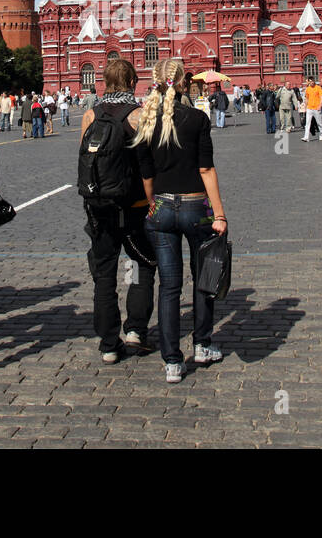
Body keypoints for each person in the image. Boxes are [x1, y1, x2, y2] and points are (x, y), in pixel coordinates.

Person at [132, 58, 229, 383]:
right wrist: (219, 213)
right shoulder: (198, 119)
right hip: (194, 208)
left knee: (169, 286)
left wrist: (151, 204)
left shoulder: (146, 121)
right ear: (184, 83)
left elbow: (146, 174)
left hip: (160, 209)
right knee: (204, 279)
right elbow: (206, 170)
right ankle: (202, 345)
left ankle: (172, 362)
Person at [78, 58, 158, 363]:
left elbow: (85, 162)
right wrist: (153, 201)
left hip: (99, 208)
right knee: (141, 264)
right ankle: (136, 330)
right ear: (133, 82)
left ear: (104, 83)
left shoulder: (90, 115)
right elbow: (149, 165)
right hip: (135, 205)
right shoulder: (139, 115)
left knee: (104, 274)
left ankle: (109, 344)